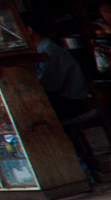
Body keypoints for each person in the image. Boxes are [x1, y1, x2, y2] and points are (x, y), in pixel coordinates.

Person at [21, 12, 100, 183]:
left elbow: (49, 86)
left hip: (72, 101)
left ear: (28, 30)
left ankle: (72, 168)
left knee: (35, 118)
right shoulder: (40, 51)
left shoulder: (50, 51)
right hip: (62, 99)